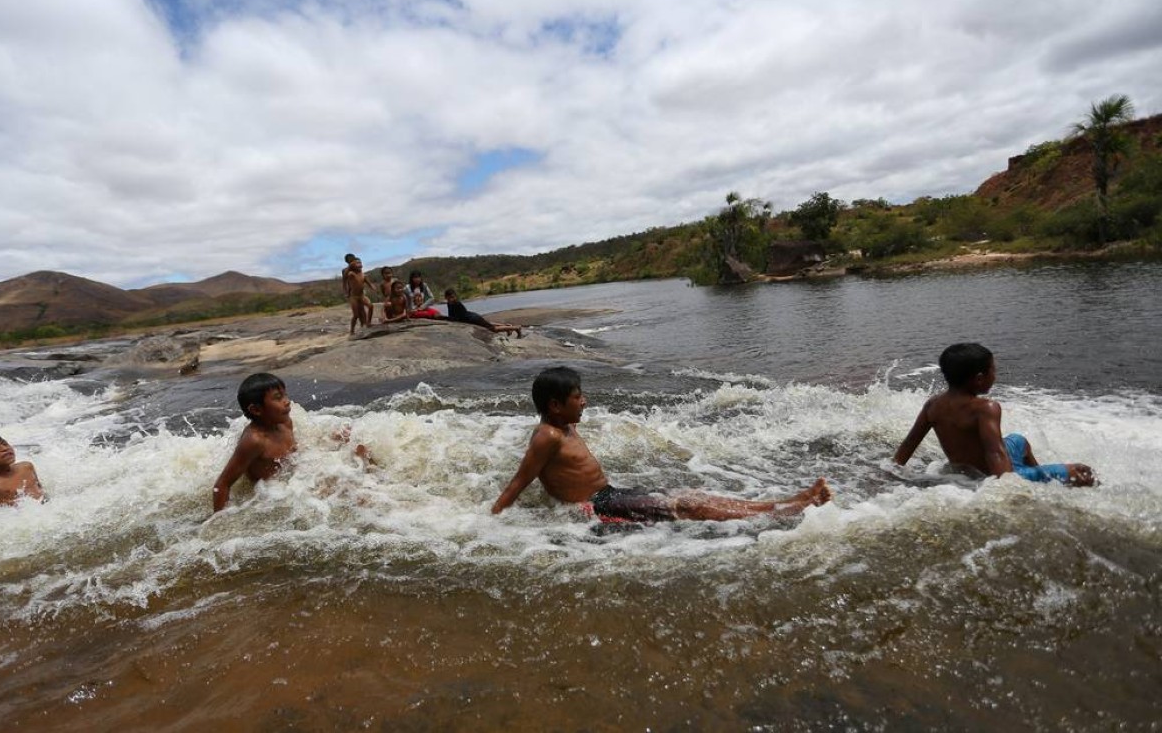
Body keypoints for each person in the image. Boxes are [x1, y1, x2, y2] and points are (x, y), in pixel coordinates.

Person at [492, 367, 832, 521]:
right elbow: (520, 481)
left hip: (611, 493)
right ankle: (783, 511)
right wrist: (491, 520)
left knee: (692, 496)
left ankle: (781, 504)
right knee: (687, 508)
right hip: (598, 508)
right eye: (578, 397)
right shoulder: (547, 436)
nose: (584, 402)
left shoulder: (562, 425)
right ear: (554, 405)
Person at [893, 343, 1095, 486]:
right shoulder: (986, 408)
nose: (995, 376)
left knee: (1018, 440)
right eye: (993, 371)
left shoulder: (933, 405)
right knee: (1081, 472)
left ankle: (1041, 480)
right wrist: (1007, 489)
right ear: (980, 379)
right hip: (993, 475)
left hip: (965, 470)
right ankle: (1034, 480)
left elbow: (909, 444)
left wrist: (894, 469)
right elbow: (995, 453)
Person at [211, 373, 297, 512]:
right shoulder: (254, 441)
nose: (287, 401)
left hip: (292, 484)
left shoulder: (285, 423)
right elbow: (222, 484)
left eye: (285, 395)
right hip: (266, 498)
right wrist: (217, 523)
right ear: (256, 410)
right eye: (278, 397)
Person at [443, 288, 523, 338]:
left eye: (452, 297)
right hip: (470, 318)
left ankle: (516, 328)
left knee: (493, 329)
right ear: (446, 297)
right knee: (488, 324)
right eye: (449, 298)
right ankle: (508, 326)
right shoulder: (449, 304)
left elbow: (456, 317)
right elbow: (452, 315)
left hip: (473, 318)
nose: (451, 299)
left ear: (455, 297)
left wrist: (447, 319)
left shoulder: (457, 303)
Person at [342, 255, 372, 335]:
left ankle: (366, 324)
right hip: (353, 296)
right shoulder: (348, 271)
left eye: (353, 260)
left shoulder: (360, 270)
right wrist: (346, 292)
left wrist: (372, 286)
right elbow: (344, 281)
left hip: (361, 294)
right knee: (356, 314)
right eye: (350, 261)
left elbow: (365, 279)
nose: (353, 262)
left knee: (364, 309)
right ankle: (352, 330)